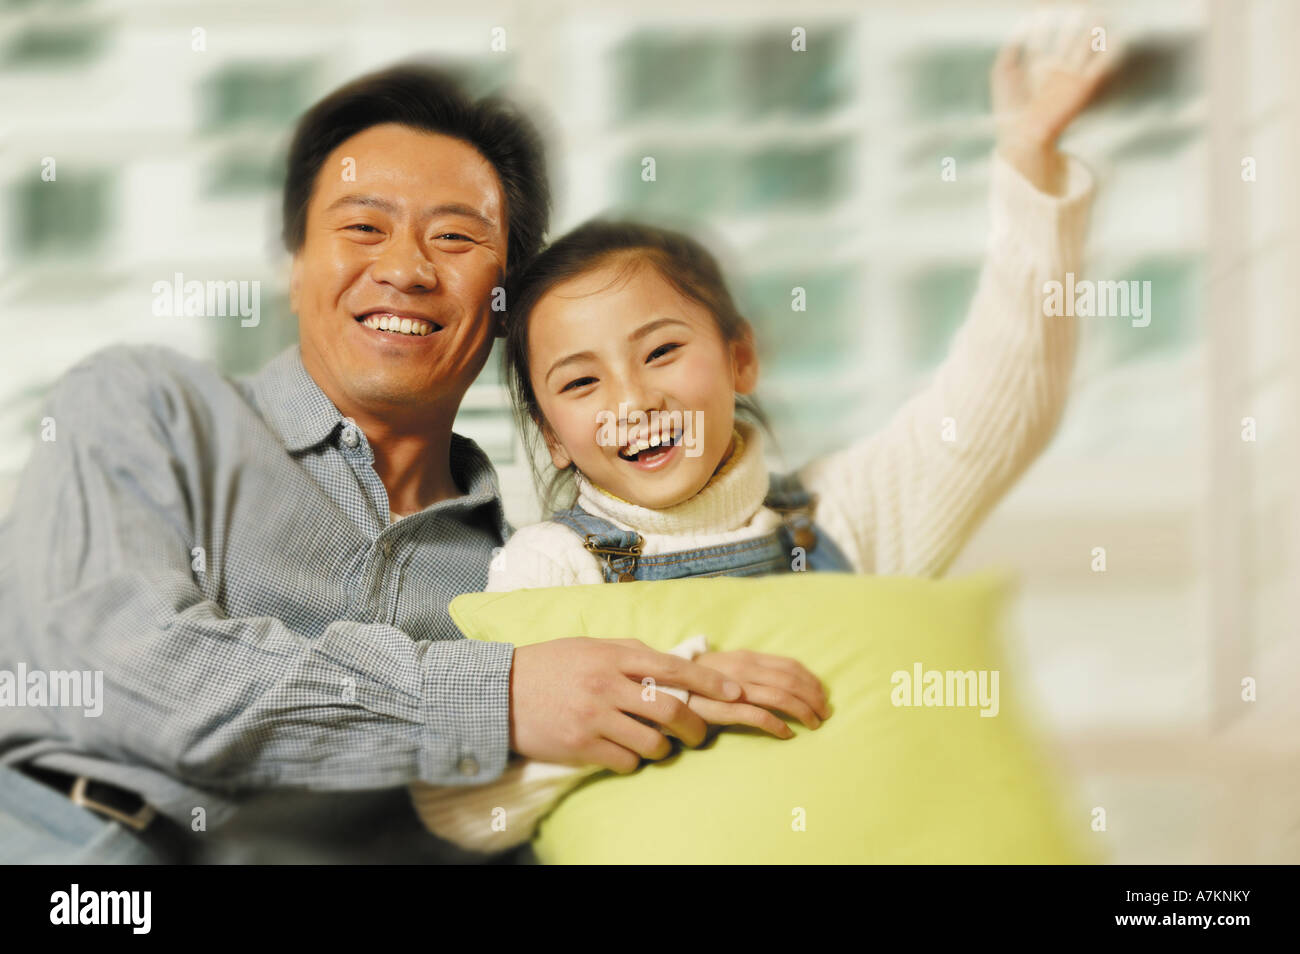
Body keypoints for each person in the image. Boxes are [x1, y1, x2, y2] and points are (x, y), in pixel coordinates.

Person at [0, 62, 790, 864]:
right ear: (294, 265)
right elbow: (126, 674)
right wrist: (502, 697)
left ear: (506, 302)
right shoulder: (146, 407)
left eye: (455, 236)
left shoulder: (526, 581)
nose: (407, 269)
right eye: (363, 228)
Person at [410, 14, 1117, 853]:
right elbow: (463, 808)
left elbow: (1006, 392)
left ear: (740, 356)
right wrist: (675, 696)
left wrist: (1029, 167)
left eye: (663, 350)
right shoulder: (549, 570)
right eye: (581, 382)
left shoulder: (847, 517)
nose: (632, 398)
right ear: (553, 437)